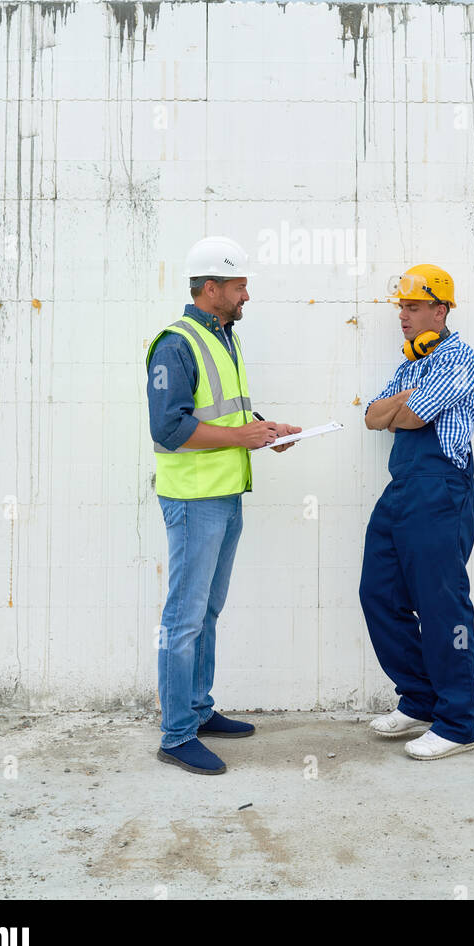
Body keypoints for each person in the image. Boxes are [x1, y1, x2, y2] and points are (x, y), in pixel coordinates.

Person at [145, 236, 301, 775]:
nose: (246, 296)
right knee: (183, 618)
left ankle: (198, 709)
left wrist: (267, 429)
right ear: (209, 288)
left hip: (225, 494)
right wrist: (242, 439)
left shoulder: (223, 336)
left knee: (207, 611)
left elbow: (227, 415)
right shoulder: (176, 344)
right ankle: (176, 734)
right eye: (239, 287)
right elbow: (169, 426)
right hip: (192, 500)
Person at [360, 264, 474, 761]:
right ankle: (421, 699)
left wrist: (401, 404)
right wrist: (404, 399)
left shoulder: (459, 356)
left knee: (440, 605)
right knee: (379, 594)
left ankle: (457, 721)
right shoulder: (412, 363)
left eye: (412, 307)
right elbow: (372, 417)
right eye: (402, 308)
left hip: (440, 491)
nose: (404, 317)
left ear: (440, 308)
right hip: (402, 489)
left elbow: (406, 417)